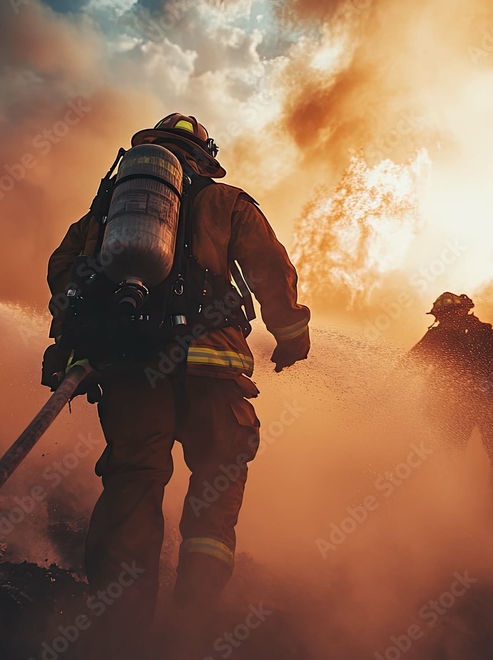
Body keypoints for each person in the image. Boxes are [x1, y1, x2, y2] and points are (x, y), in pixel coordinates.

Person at [44, 113, 310, 645]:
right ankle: (193, 618)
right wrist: (289, 333)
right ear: (204, 157)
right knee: (216, 481)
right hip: (215, 370)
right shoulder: (228, 201)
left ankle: (120, 626)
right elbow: (269, 267)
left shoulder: (111, 207)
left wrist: (73, 341)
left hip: (133, 367)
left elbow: (65, 270)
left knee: (134, 480)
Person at [409, 292, 493, 510]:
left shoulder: (438, 337)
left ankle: (452, 509)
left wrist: (381, 394)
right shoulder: (490, 335)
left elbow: (407, 367)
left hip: (462, 407)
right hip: (487, 407)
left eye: (445, 315)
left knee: (453, 456)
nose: (444, 320)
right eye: (443, 316)